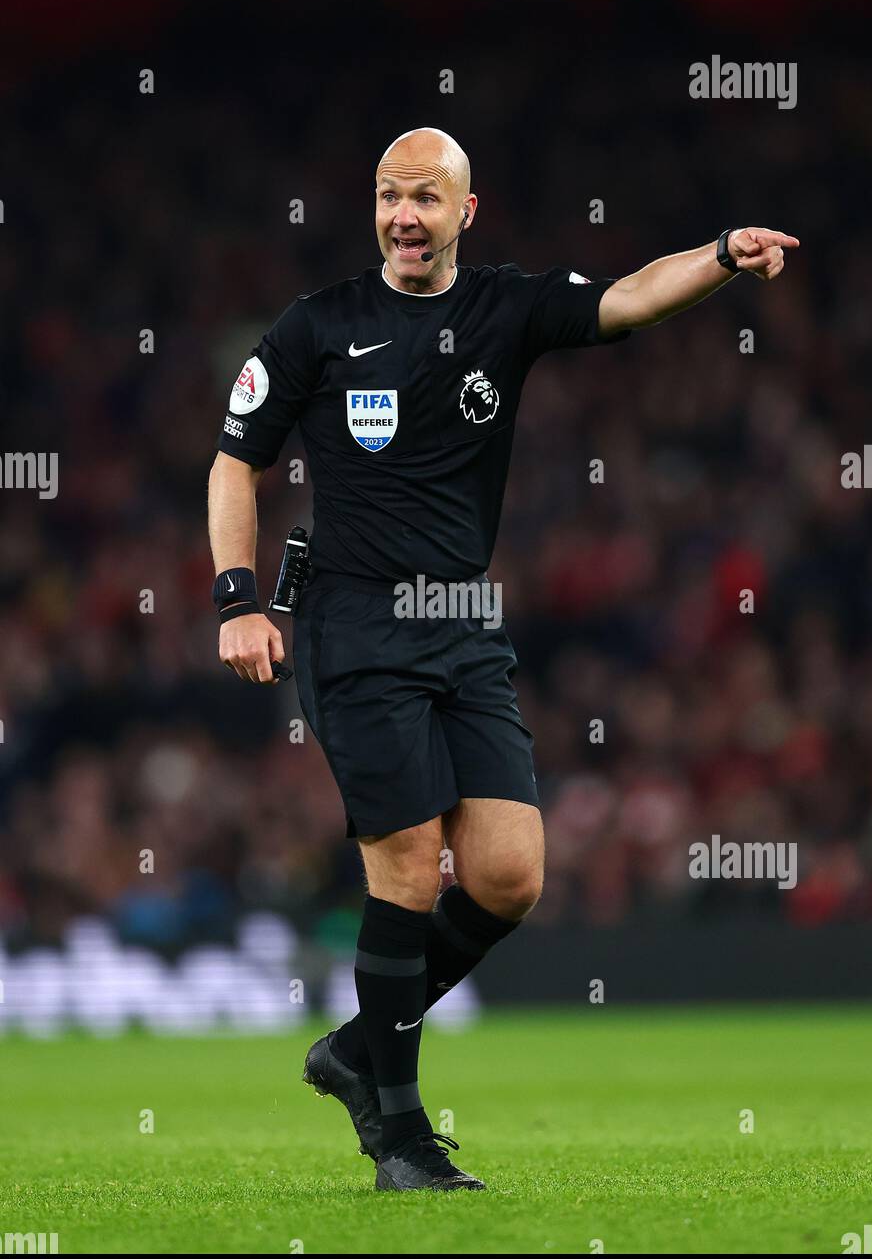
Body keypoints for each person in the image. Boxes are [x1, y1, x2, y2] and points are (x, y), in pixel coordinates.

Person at [207, 126, 798, 1191]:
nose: (405, 216)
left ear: (465, 214)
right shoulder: (317, 327)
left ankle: (353, 1046)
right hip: (354, 627)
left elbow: (631, 295)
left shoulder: (506, 309)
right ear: (372, 207)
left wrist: (719, 253)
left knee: (510, 875)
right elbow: (234, 463)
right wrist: (237, 598)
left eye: (427, 199)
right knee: (406, 868)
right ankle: (399, 1138)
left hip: (464, 627)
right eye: (390, 196)